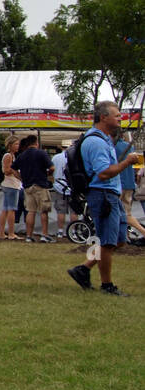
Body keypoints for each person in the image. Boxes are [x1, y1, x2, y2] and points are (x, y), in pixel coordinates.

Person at [68, 102, 135, 296]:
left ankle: (83, 268)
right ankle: (107, 285)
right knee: (107, 241)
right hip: (102, 194)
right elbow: (104, 173)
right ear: (103, 117)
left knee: (119, 239)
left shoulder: (105, 139)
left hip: (111, 194)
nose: (120, 117)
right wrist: (127, 162)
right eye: (117, 115)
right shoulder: (95, 142)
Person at [14, 134, 54, 243]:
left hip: (27, 186)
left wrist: (21, 178)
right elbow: (52, 167)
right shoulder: (42, 153)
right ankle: (44, 235)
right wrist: (48, 173)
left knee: (30, 211)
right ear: (36, 143)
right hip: (40, 184)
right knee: (43, 210)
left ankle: (28, 235)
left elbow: (13, 169)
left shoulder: (22, 155)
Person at [0, 135, 21, 240]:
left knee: (6, 209)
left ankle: (2, 233)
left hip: (10, 184)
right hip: (11, 184)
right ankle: (11, 233)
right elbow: (7, 171)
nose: (18, 146)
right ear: (10, 145)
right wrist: (15, 170)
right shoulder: (9, 156)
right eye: (16, 144)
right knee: (11, 209)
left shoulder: (11, 156)